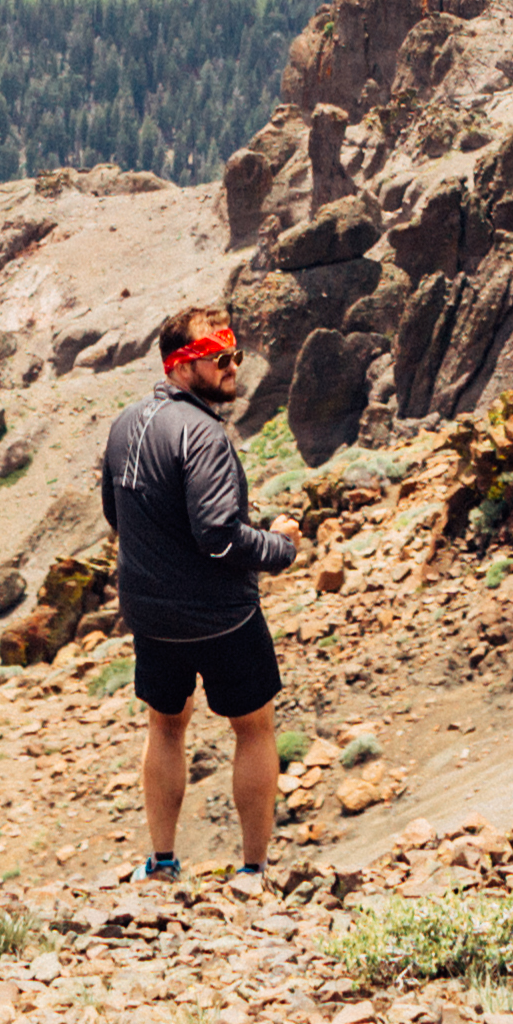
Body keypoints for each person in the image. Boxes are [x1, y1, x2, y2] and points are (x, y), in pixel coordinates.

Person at [100, 306, 301, 895]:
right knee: (254, 728)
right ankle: (253, 873)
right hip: (221, 617)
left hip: (151, 617)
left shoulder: (124, 423)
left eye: (234, 355)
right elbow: (218, 537)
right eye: (218, 357)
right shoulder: (205, 434)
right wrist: (281, 546)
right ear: (182, 365)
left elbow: (115, 513)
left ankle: (162, 863)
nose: (233, 366)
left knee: (165, 726)